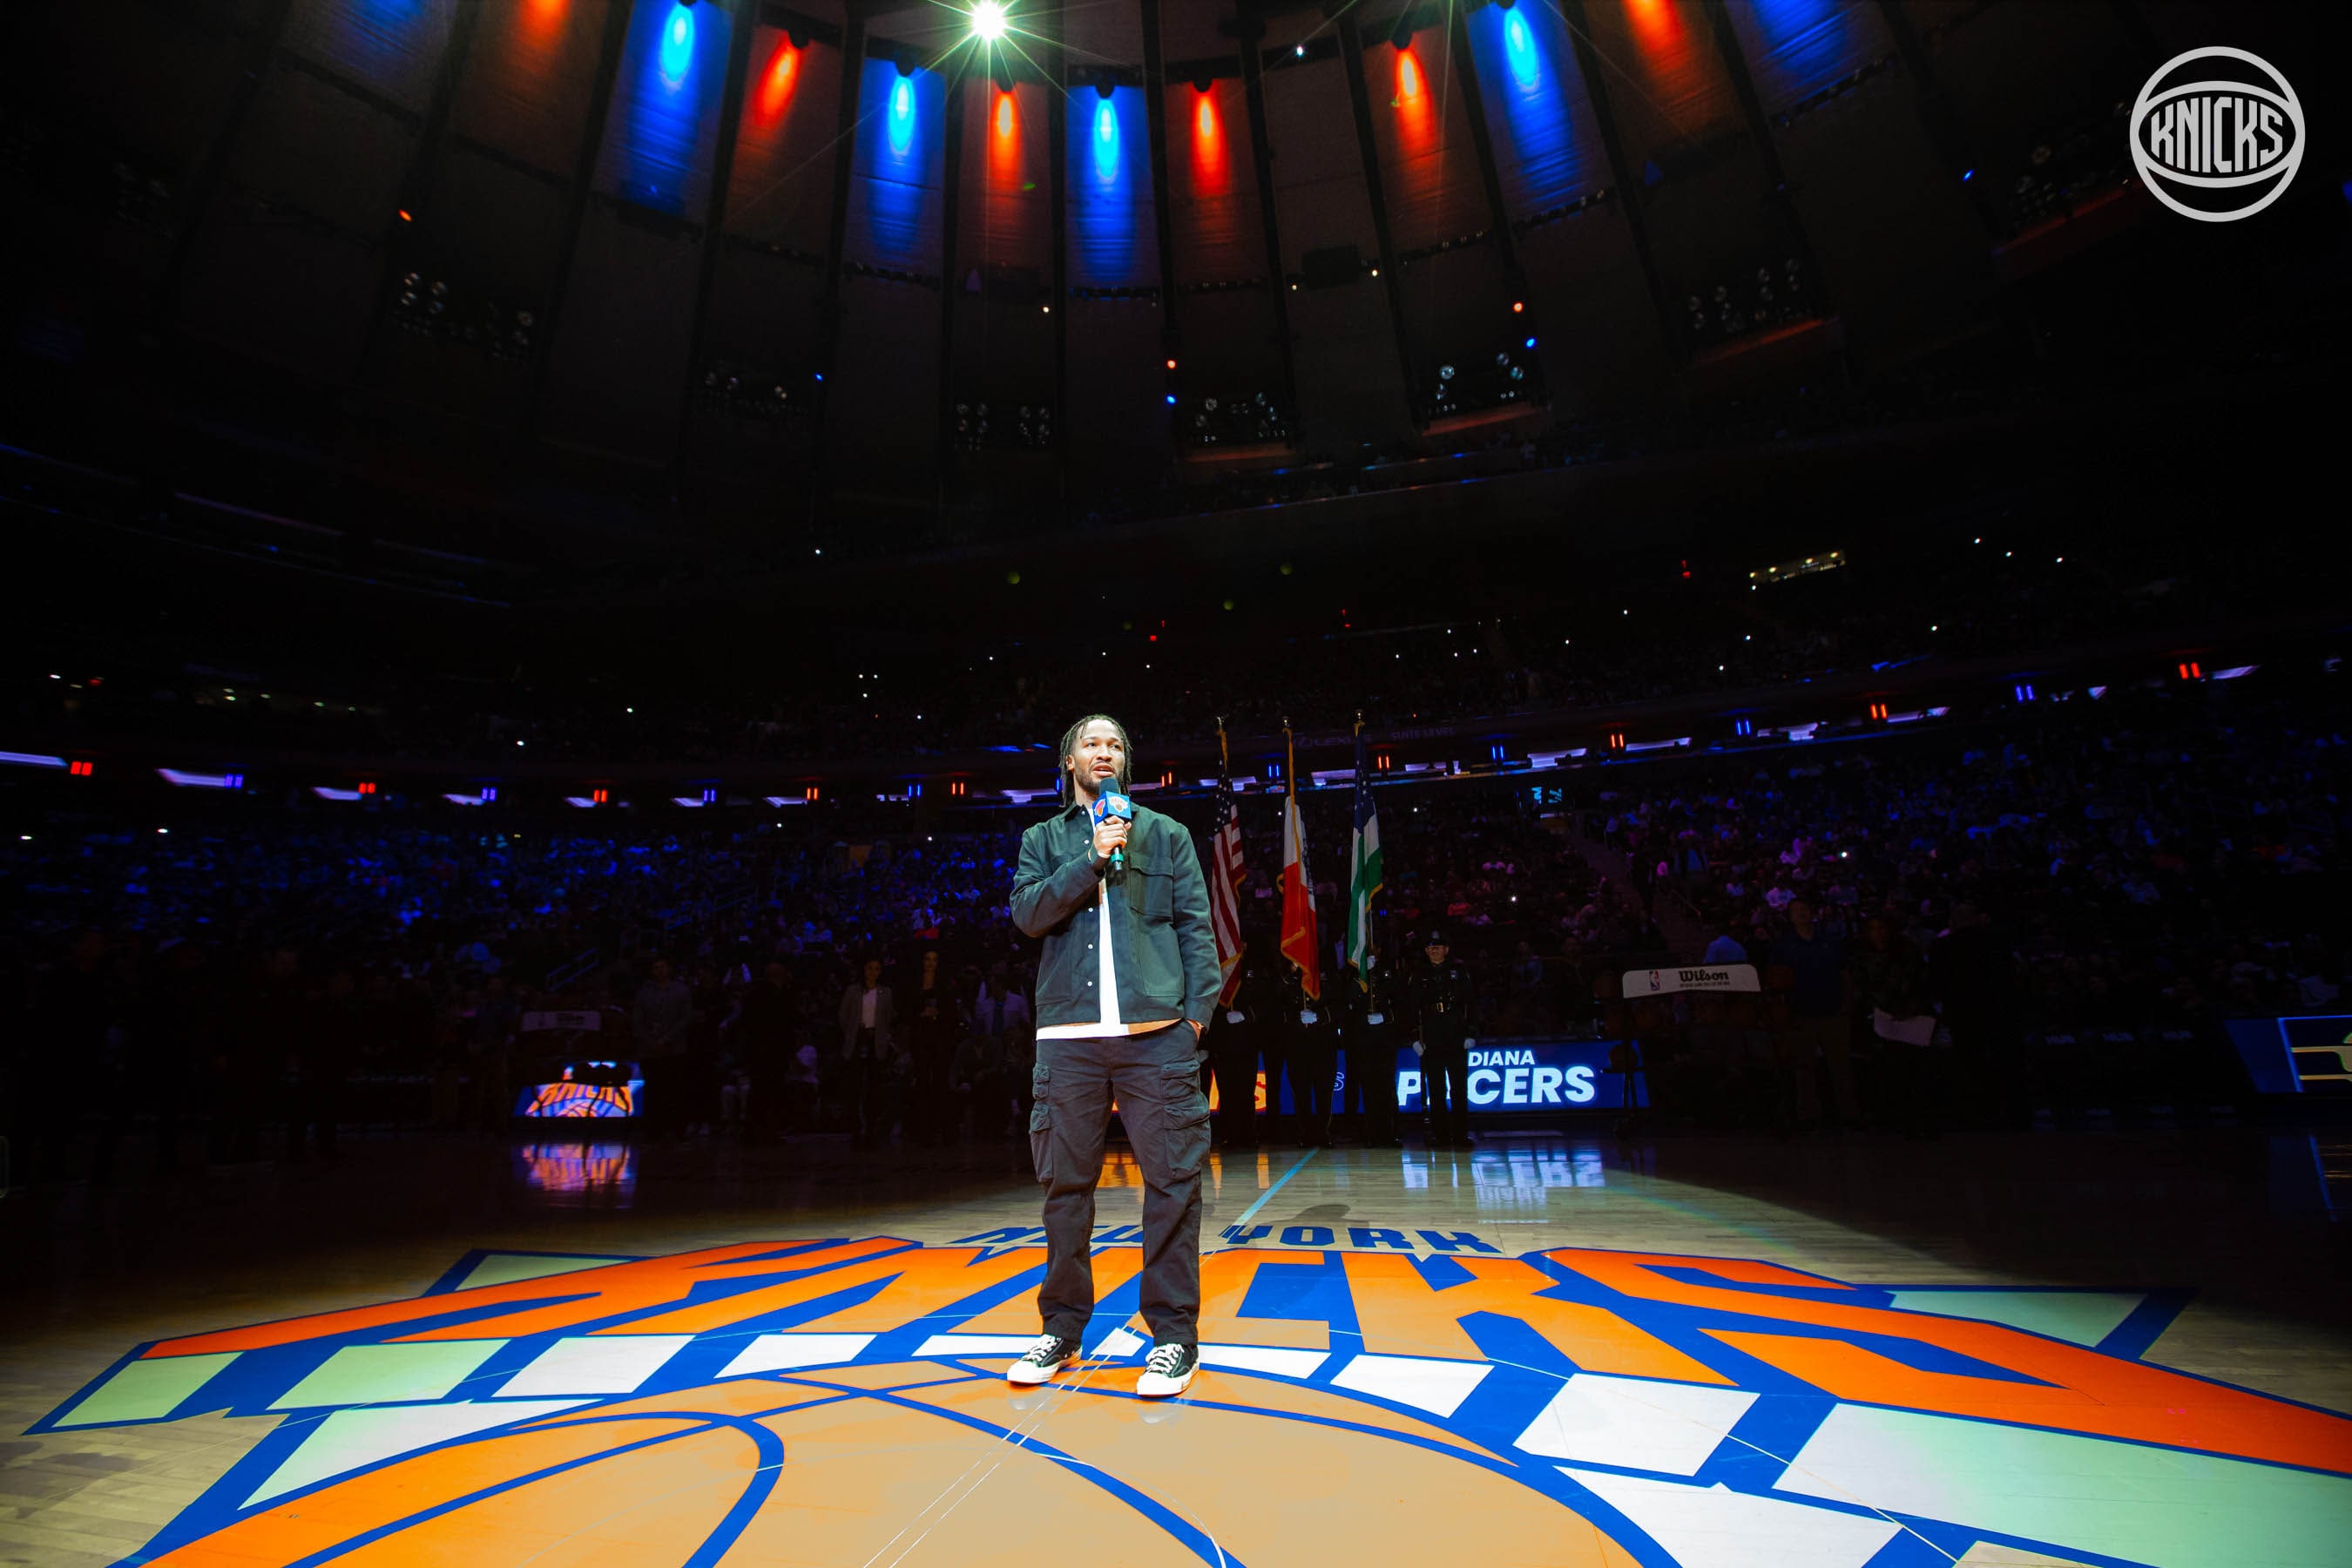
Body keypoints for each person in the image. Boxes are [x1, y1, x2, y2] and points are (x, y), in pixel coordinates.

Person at [1006, 714, 1218, 1399]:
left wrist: (1192, 1023)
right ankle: (1061, 1329)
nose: (1104, 752)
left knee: (1173, 1184)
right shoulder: (1042, 840)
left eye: (1115, 744)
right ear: (1070, 760)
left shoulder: (1167, 836)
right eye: (1092, 743)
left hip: (1156, 1038)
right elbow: (1029, 914)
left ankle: (1173, 1338)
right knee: (1065, 1190)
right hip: (1068, 1040)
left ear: (1127, 761)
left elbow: (1197, 934)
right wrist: (1092, 857)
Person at [1767, 898, 1857, 1131]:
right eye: (1796, 911)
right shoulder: (1784, 946)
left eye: (1805, 909)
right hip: (1801, 1014)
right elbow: (1776, 979)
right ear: (1790, 917)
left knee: (1841, 1067)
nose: (1802, 914)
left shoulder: (1832, 942)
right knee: (1804, 1067)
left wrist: (1846, 1006)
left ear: (1813, 912)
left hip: (1833, 1012)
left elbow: (1845, 975)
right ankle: (1808, 1116)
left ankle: (1848, 1114)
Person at [1409, 930, 1476, 1147]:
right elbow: (1410, 1007)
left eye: (1438, 946)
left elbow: (1471, 1002)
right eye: (1430, 947)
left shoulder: (1459, 970)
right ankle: (1441, 1135)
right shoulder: (1419, 973)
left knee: (1459, 1088)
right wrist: (1414, 1038)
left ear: (1446, 950)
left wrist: (1471, 1033)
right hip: (1432, 1034)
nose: (1434, 950)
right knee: (1436, 1089)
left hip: (1455, 1032)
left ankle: (1460, 1134)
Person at [836, 956, 896, 1147]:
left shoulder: (885, 992)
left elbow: (888, 1017)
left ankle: (870, 1128)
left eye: (877, 968)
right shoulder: (853, 991)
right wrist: (853, 1033)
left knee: (874, 1088)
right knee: (854, 1087)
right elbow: (843, 1016)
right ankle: (855, 1129)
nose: (873, 972)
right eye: (870, 968)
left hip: (875, 1043)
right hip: (856, 1041)